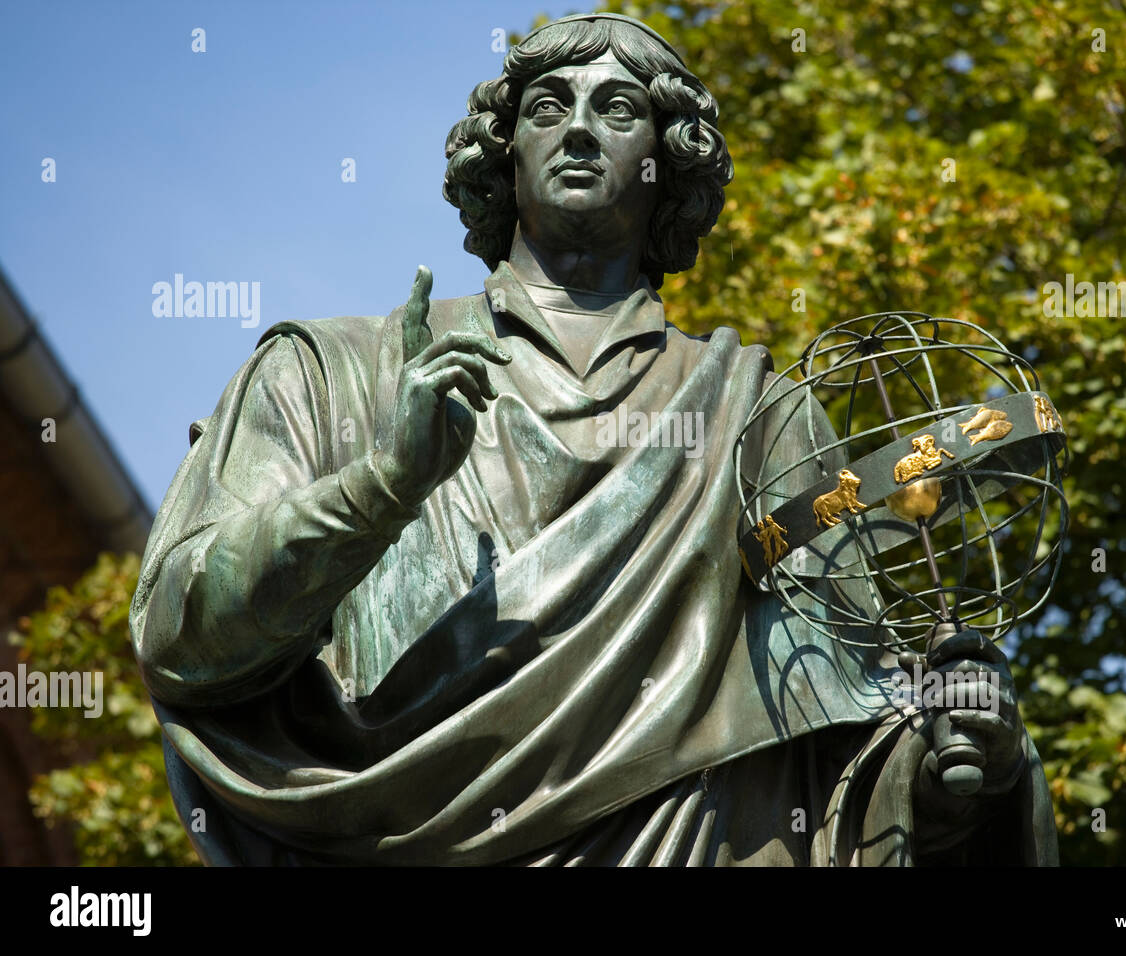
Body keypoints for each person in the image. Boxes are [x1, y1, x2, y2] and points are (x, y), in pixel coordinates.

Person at [130, 12, 1057, 865]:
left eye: (617, 108)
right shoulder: (334, 373)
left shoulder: (757, 415)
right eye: (547, 107)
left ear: (668, 160)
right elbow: (181, 635)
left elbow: (840, 747)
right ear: (506, 152)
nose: (578, 129)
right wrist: (380, 485)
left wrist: (961, 773)